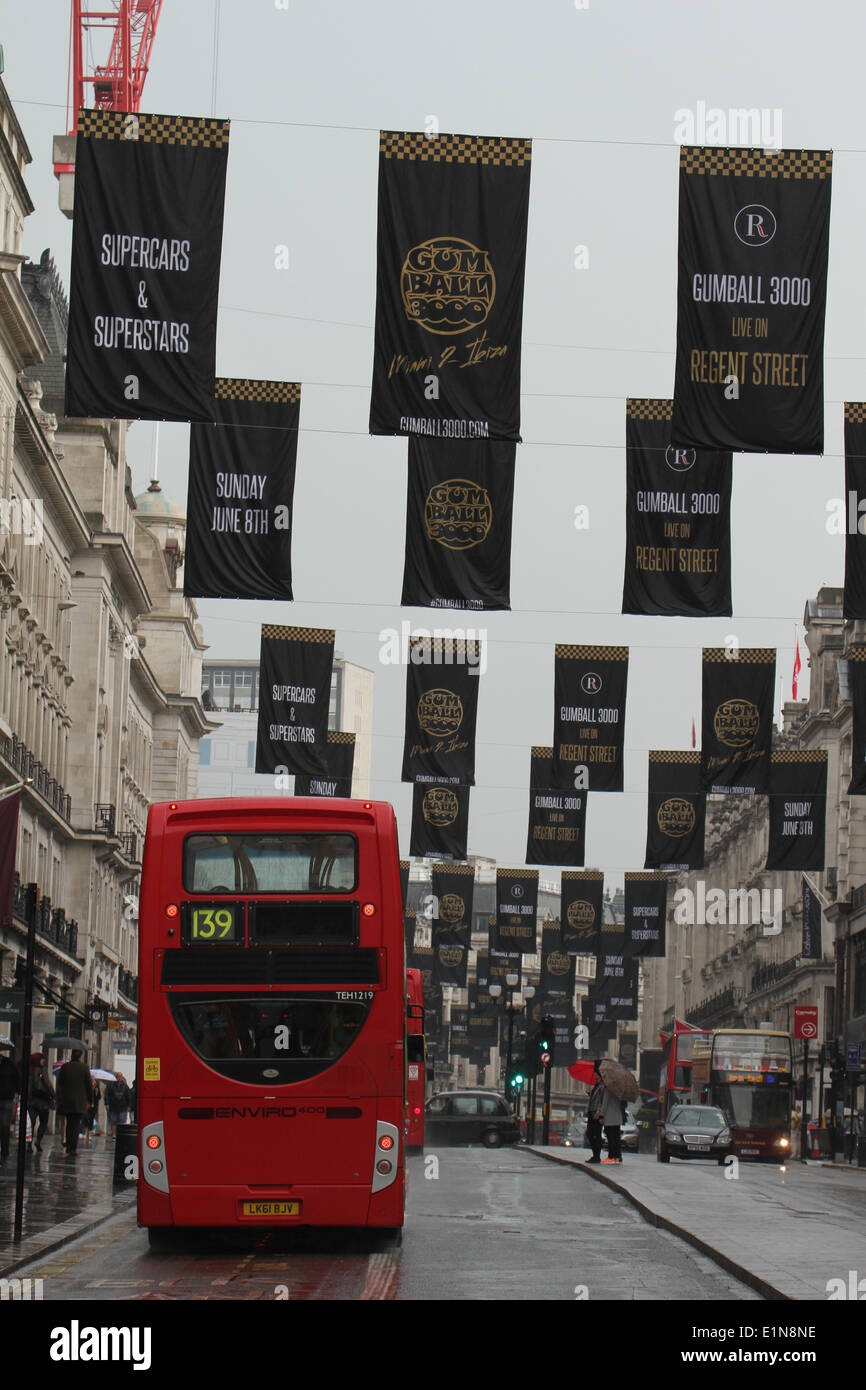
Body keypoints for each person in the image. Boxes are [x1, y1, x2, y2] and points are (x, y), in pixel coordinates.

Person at [55, 1049, 93, 1157]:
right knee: (75, 1125)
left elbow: (60, 1084)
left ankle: (68, 1146)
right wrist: (90, 1100)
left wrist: (59, 1099)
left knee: (69, 1124)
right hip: (79, 1102)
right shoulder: (84, 1068)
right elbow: (89, 1085)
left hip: (67, 1100)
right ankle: (73, 1148)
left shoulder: (65, 1067)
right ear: (80, 1056)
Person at [26, 1052, 55, 1153]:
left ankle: (29, 1144)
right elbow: (48, 1084)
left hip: (31, 1101)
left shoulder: (29, 1070)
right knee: (43, 1122)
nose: (44, 1061)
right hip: (43, 1101)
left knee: (31, 1123)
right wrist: (53, 1095)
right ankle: (38, 1141)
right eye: (42, 1059)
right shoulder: (42, 1070)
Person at [599, 1082, 626, 1164]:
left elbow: (605, 1103)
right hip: (617, 1117)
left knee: (610, 1138)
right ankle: (617, 1157)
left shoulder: (608, 1089)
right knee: (616, 1138)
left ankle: (611, 1157)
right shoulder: (620, 1090)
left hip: (609, 1117)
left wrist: (601, 1115)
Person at [0, 1051, 19, 1164]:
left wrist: (16, 1093)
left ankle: (5, 1150)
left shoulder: (9, 1064)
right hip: (6, 1097)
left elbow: (17, 1079)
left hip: (6, 1099)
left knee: (4, 1125)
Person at [584, 1061, 605, 1164]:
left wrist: (599, 1111)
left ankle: (597, 1156)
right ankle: (595, 1155)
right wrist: (590, 1094)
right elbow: (595, 1098)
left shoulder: (602, 1086)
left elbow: (602, 1100)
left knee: (595, 1134)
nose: (594, 1075)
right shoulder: (596, 1085)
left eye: (595, 1073)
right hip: (591, 1112)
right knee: (589, 1133)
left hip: (596, 1113)